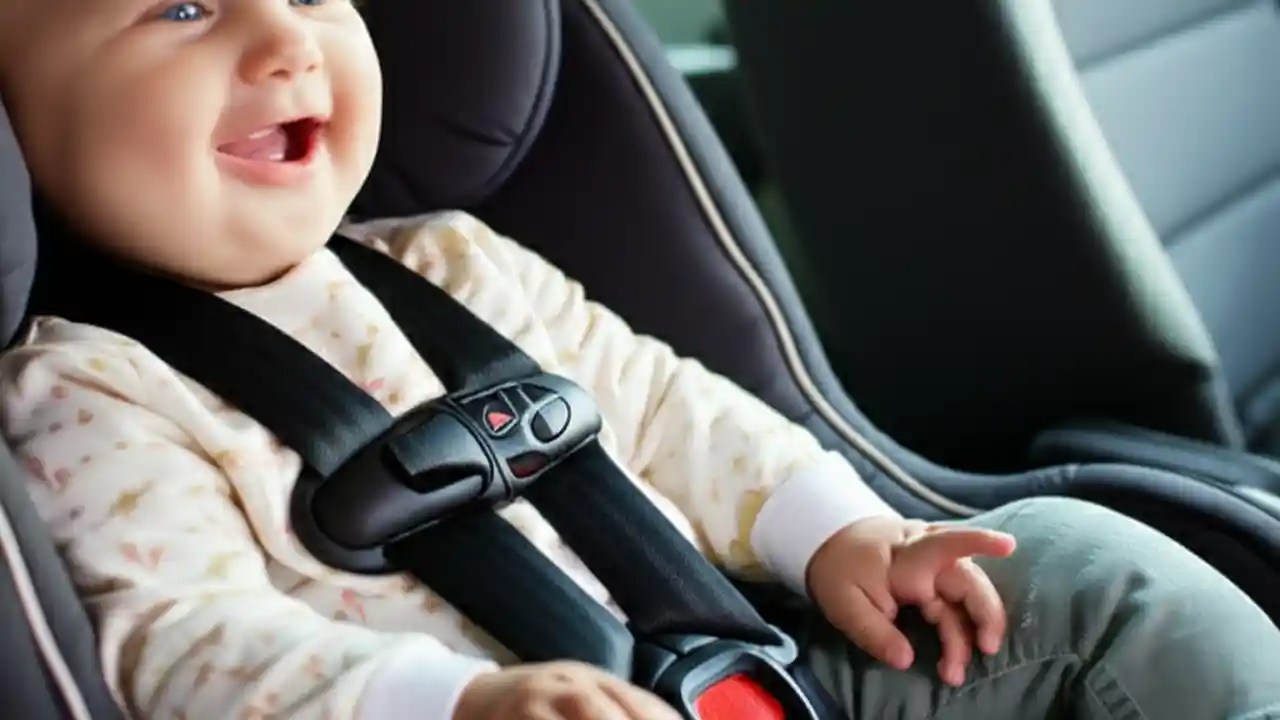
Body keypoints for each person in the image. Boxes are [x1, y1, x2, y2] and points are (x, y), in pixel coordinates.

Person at [0, 1, 1278, 719]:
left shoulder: (452, 263)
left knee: (1081, 573)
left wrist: (840, 534)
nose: (285, 41)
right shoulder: (88, 391)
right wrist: (452, 707)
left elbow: (666, 406)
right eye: (182, 6)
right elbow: (181, 643)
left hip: (764, 675)